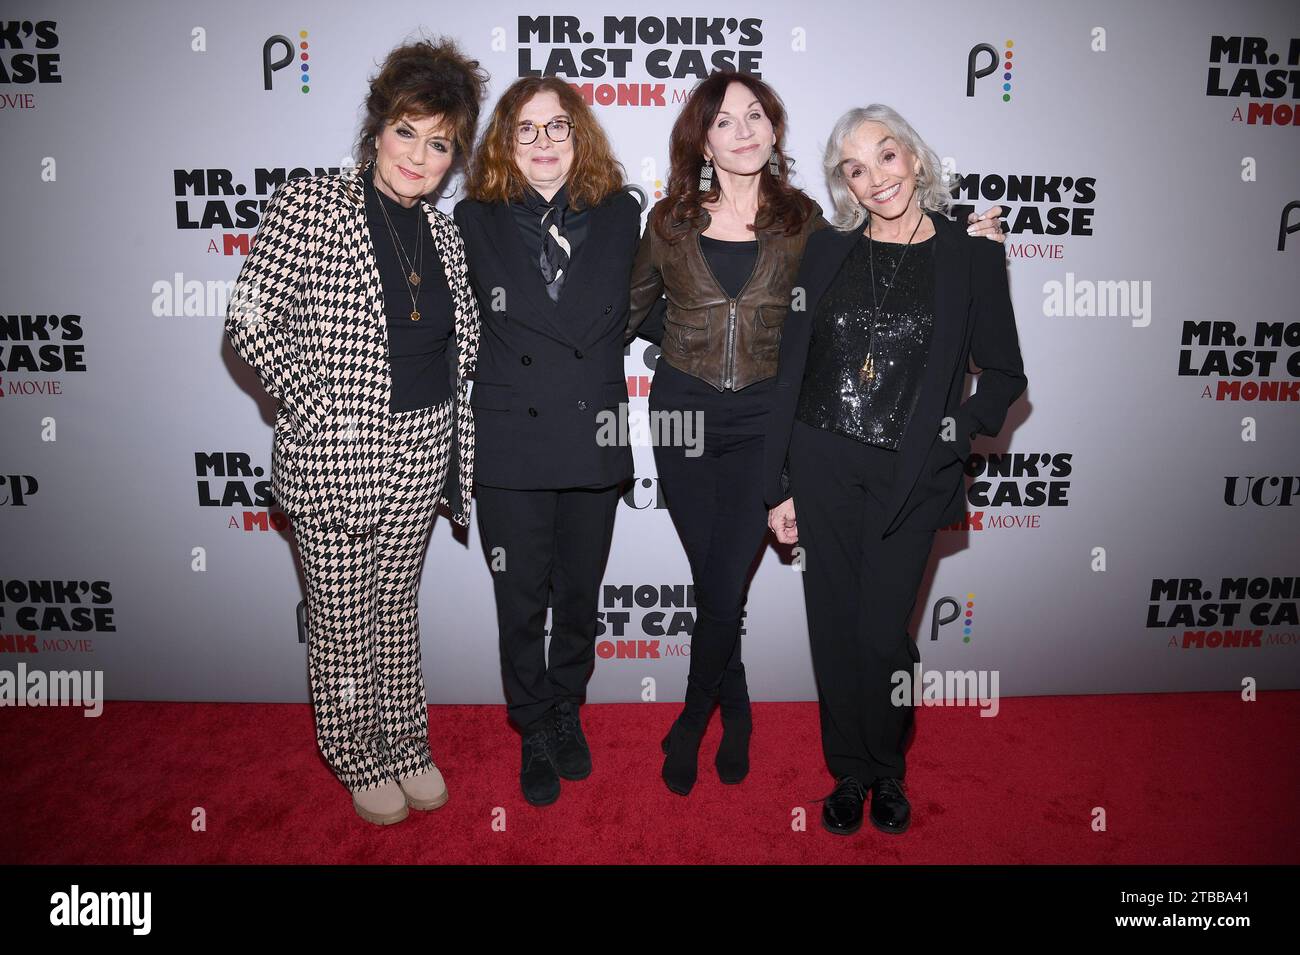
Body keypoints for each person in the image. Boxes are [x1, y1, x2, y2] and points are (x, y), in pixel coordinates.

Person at [626, 72, 1006, 796]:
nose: (742, 130)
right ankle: (735, 713)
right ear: (702, 141)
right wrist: (673, 347)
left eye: (755, 116)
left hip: (767, 423)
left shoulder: (810, 226)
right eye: (724, 122)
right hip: (682, 418)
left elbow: (892, 264)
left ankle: (691, 719)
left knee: (728, 580)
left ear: (774, 128)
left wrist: (973, 241)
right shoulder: (669, 221)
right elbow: (636, 307)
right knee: (715, 586)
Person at [224, 38, 488, 826]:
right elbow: (247, 319)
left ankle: (407, 741)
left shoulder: (442, 237)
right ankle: (354, 750)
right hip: (335, 450)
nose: (419, 155)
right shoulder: (311, 204)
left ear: (453, 158)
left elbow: (455, 347)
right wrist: (314, 404)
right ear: (378, 128)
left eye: (439, 143)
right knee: (341, 614)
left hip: (423, 446)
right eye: (407, 131)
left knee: (395, 604)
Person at [764, 104, 1028, 836]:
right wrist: (777, 484)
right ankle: (850, 770)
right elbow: (792, 370)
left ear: (913, 158)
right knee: (834, 629)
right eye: (855, 167)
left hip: (910, 476)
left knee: (883, 634)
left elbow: (1004, 375)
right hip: (820, 461)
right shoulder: (825, 252)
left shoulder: (968, 253)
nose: (875, 177)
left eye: (886, 156)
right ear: (843, 183)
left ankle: (888, 764)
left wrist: (954, 435)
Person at [453, 77, 641, 807]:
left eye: (556, 127)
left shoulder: (623, 214)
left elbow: (671, 290)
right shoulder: (472, 219)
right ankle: (531, 722)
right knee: (521, 597)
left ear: (579, 135)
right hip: (511, 443)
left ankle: (568, 707)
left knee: (580, 593)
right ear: (505, 141)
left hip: (592, 434)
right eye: (525, 129)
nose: (542, 142)